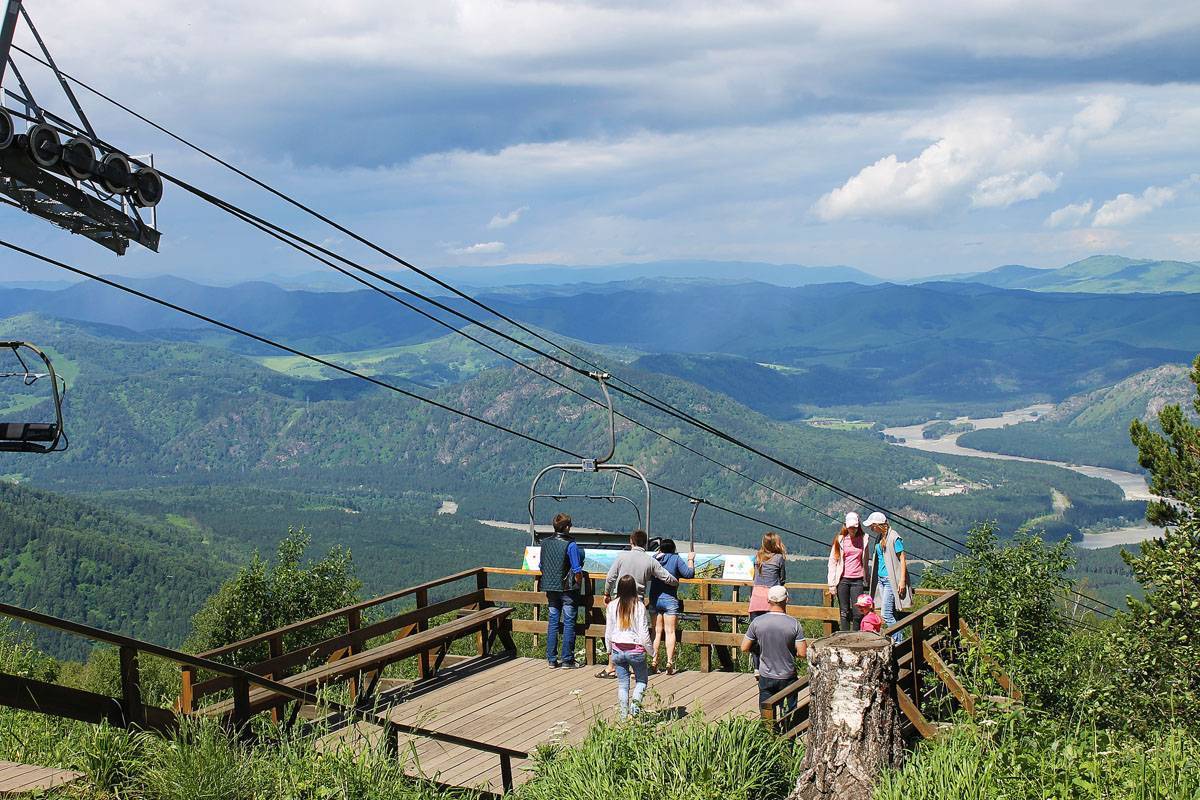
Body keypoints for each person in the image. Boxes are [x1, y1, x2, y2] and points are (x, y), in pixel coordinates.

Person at [597, 529, 678, 678]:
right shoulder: (650, 561)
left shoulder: (622, 557)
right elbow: (667, 577)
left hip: (619, 599)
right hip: (637, 601)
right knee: (638, 631)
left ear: (631, 541)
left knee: (615, 629)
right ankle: (636, 668)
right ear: (645, 543)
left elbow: (610, 577)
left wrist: (607, 593)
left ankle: (611, 666)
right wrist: (676, 582)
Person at [740, 584, 806, 716]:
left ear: (768, 600)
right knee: (790, 714)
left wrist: (759, 649)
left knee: (767, 714)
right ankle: (788, 734)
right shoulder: (794, 624)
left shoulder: (757, 622)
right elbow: (802, 653)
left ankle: (769, 734)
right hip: (787, 675)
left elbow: (744, 647)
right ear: (786, 600)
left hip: (766, 675)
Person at [540, 513, 585, 669]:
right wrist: (578, 582)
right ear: (566, 527)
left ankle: (551, 659)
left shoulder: (545, 543)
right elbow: (576, 568)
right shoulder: (570, 544)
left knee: (553, 622)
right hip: (567, 590)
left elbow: (541, 566)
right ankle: (567, 660)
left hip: (550, 588)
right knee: (568, 623)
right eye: (570, 525)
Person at [605, 574, 652, 718]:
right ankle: (635, 708)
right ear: (634, 589)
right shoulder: (639, 606)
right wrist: (651, 651)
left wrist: (609, 649)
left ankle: (623, 716)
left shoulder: (612, 605)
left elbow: (609, 630)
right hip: (636, 650)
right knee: (642, 680)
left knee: (623, 684)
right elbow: (644, 633)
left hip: (617, 649)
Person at [649, 539, 695, 674]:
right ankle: (669, 662)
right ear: (673, 549)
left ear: (660, 549)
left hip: (654, 598)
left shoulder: (653, 560)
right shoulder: (675, 558)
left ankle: (654, 661)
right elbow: (689, 574)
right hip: (670, 599)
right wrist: (690, 560)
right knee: (670, 632)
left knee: (656, 632)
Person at [865, 511, 911, 642]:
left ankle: (898, 641)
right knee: (891, 612)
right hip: (881, 579)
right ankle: (896, 639)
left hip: (891, 580)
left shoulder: (894, 537)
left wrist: (902, 581)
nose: (871, 528)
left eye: (872, 526)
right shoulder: (880, 537)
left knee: (886, 614)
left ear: (878, 525)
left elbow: (902, 558)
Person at [747, 531, 787, 674]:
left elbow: (754, 577)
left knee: (756, 633)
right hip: (771, 599)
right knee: (774, 634)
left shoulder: (757, 556)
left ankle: (757, 667)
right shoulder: (779, 558)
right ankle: (773, 666)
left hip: (756, 597)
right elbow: (782, 579)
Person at [827, 512, 869, 631]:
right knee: (844, 612)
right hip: (843, 580)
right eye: (850, 527)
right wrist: (832, 584)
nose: (853, 529)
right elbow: (833, 562)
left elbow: (865, 561)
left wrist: (867, 578)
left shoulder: (864, 539)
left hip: (858, 579)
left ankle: (855, 636)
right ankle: (844, 636)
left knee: (858, 613)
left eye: (855, 527)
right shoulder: (840, 540)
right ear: (846, 526)